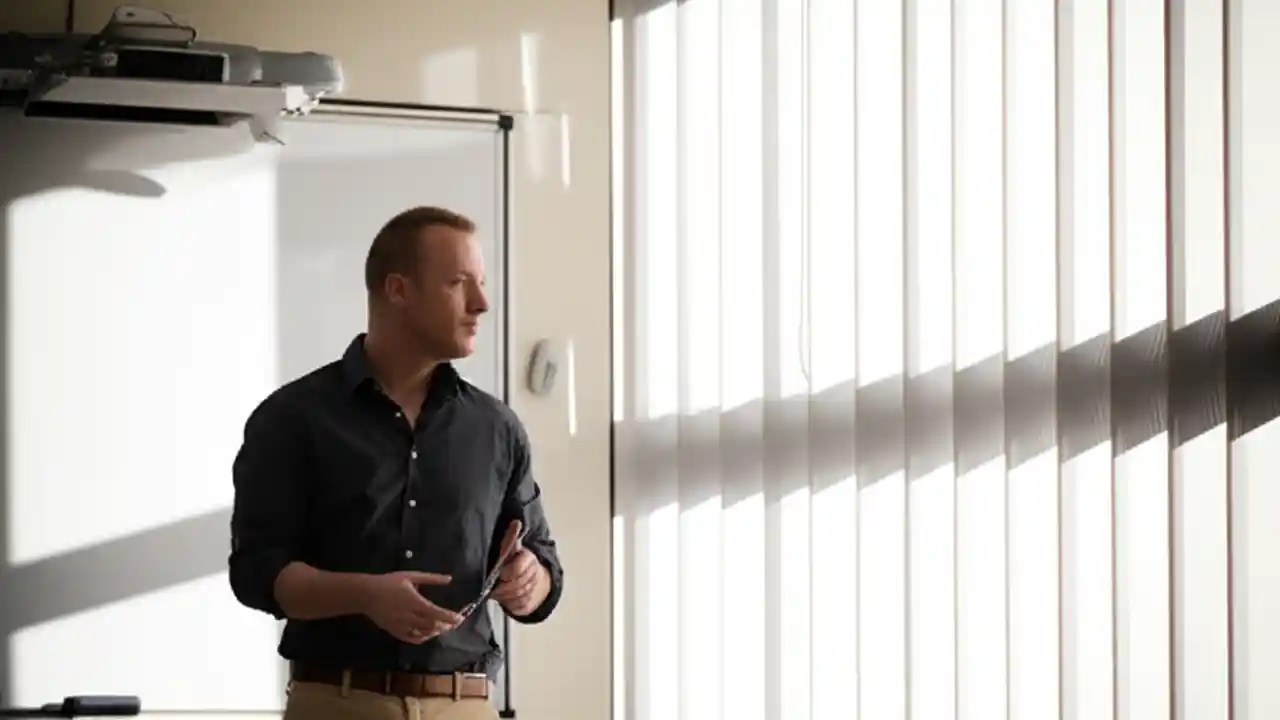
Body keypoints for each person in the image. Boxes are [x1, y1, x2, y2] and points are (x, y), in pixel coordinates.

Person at [228, 206, 563, 720]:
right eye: (459, 283)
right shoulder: (291, 418)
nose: (482, 303)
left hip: (466, 706)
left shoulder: (498, 429)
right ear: (398, 290)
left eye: (482, 283)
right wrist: (364, 595)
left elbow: (543, 569)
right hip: (338, 703)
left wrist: (529, 580)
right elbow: (255, 573)